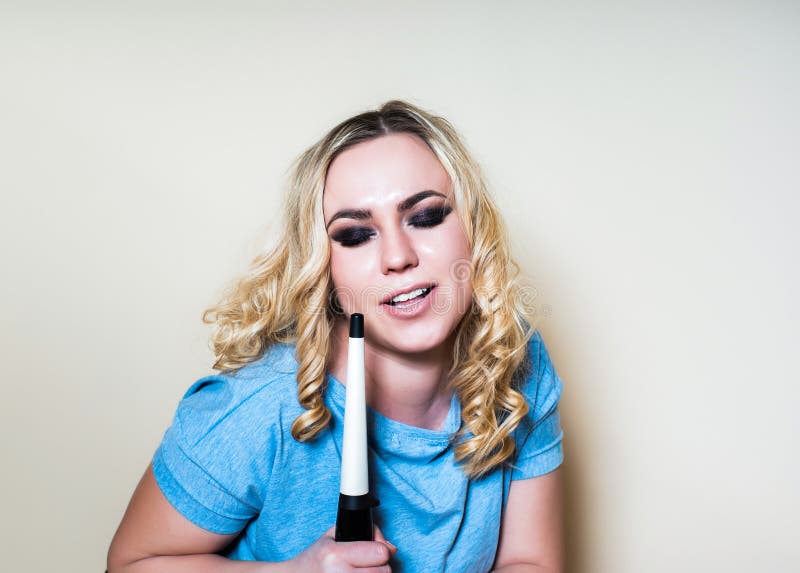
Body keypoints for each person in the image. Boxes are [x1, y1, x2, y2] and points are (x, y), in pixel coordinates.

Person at [107, 100, 565, 573]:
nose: (398, 256)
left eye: (425, 217)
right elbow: (129, 564)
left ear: (473, 228)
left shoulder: (514, 360)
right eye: (355, 234)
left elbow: (530, 561)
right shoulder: (259, 407)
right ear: (323, 267)